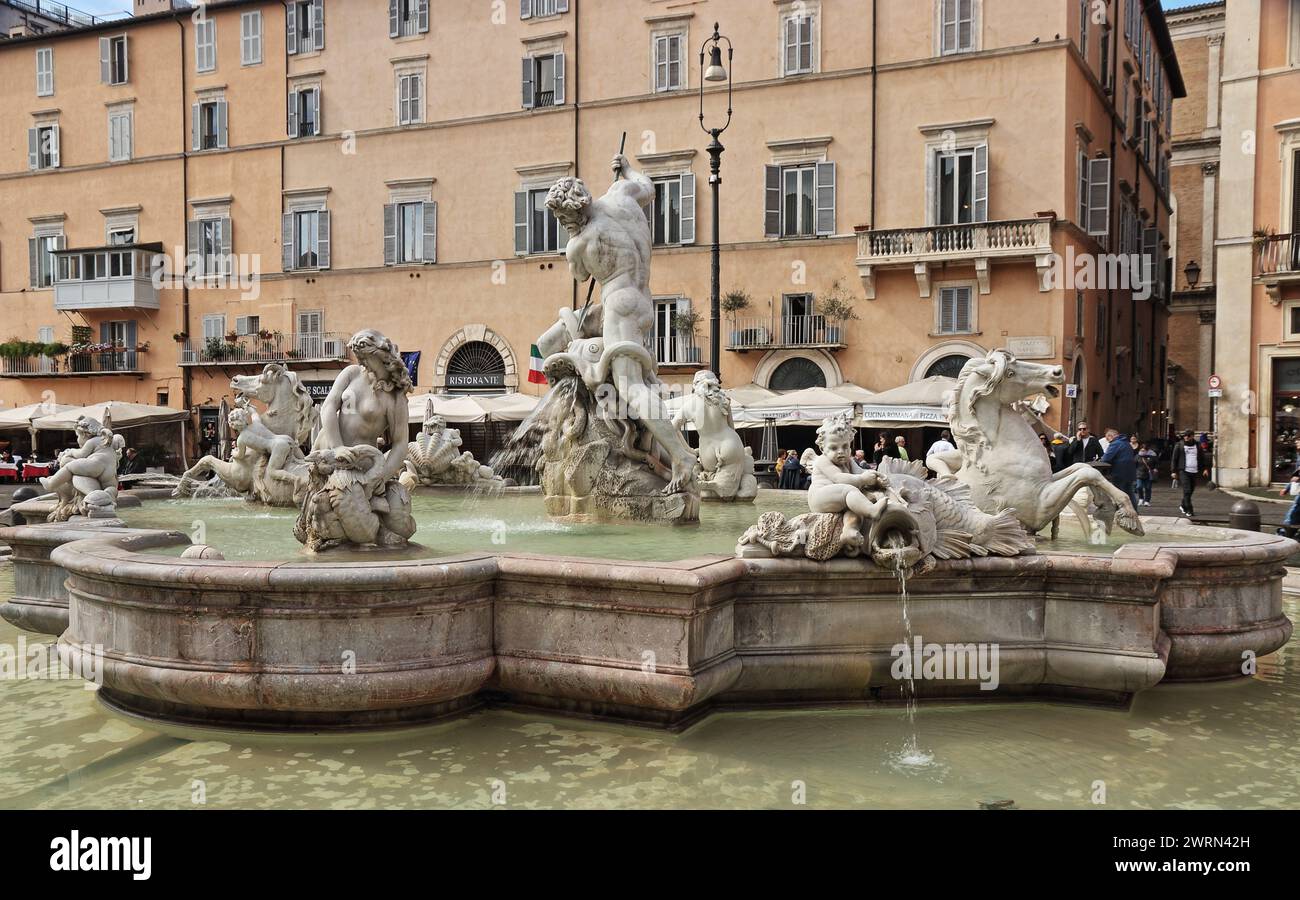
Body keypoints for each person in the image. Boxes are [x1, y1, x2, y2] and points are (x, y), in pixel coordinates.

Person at [1170, 429, 1211, 517]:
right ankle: (1189, 510)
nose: (1186, 437)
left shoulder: (1197, 445)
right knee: (1187, 490)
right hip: (1183, 470)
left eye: (1188, 436)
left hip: (1194, 471)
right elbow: (1174, 459)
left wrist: (1205, 468)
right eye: (1185, 436)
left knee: (1190, 491)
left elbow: (1202, 457)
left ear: (1192, 436)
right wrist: (1173, 471)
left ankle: (1183, 505)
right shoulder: (1179, 445)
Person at [1101, 427, 1138, 511]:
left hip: (1119, 473)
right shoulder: (1126, 443)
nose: (1108, 441)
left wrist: (1101, 459)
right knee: (1129, 493)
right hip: (1129, 473)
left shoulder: (1115, 444)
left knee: (1118, 493)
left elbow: (1106, 458)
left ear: (1111, 436)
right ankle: (1133, 511)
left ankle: (1120, 511)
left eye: (1107, 439)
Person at [1135, 442, 1156, 507]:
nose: (1143, 451)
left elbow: (1156, 463)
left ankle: (1147, 501)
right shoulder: (1137, 456)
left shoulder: (1152, 456)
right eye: (1141, 450)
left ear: (1147, 450)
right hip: (1139, 474)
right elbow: (1134, 464)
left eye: (1144, 450)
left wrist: (1155, 468)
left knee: (1148, 488)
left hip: (1148, 474)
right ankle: (1141, 499)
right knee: (1139, 486)